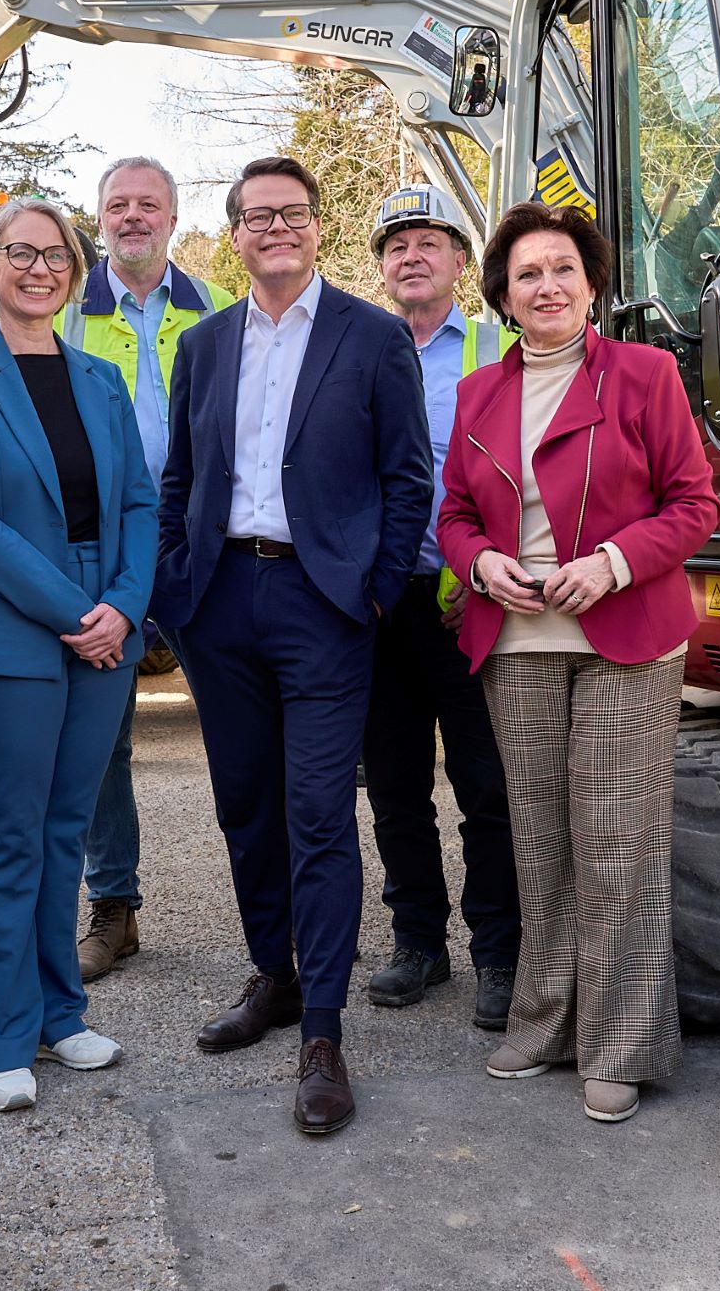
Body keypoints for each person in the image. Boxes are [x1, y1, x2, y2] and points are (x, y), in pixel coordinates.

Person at [156, 155, 432, 1137]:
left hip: (325, 603)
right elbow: (180, 478)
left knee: (318, 811)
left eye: (293, 213)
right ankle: (271, 976)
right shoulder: (204, 342)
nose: (276, 227)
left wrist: (374, 585)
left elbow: (409, 479)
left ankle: (322, 1031)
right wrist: (172, 585)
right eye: (256, 214)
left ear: (317, 228)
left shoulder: (372, 335)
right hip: (220, 599)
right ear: (232, 234)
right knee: (247, 806)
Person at [436, 201, 719, 1126]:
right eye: (527, 275)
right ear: (504, 297)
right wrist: (479, 561)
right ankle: (547, 1019)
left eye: (562, 269)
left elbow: (693, 502)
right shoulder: (480, 394)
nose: (547, 286)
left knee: (617, 843)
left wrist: (613, 563)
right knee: (540, 840)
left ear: (591, 284)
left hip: (625, 631)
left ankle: (621, 1042)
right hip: (516, 638)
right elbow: (454, 515)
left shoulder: (644, 374)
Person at [0, 199, 157, 1112]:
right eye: (17, 253)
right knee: (14, 831)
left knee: (69, 827)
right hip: (17, 623)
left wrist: (124, 609)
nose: (38, 267)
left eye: (55, 253)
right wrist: (78, 611)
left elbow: (140, 501)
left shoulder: (100, 377)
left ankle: (61, 1013)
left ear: (75, 270)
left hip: (106, 617)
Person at [55, 156, 233, 984]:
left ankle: (276, 915)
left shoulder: (222, 312)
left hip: (204, 555)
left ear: (173, 214)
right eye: (118, 205)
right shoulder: (62, 318)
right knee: (99, 744)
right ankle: (113, 909)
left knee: (244, 735)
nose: (134, 217)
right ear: (100, 218)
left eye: (148, 204)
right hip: (103, 558)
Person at [358, 185, 521, 1028]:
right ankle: (417, 943)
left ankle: (499, 953)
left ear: (462, 261)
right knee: (393, 787)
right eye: (396, 246)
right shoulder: (357, 350)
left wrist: (488, 578)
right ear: (381, 268)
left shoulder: (504, 350)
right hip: (384, 609)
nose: (411, 256)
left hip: (476, 604)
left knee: (487, 789)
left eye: (429, 241)